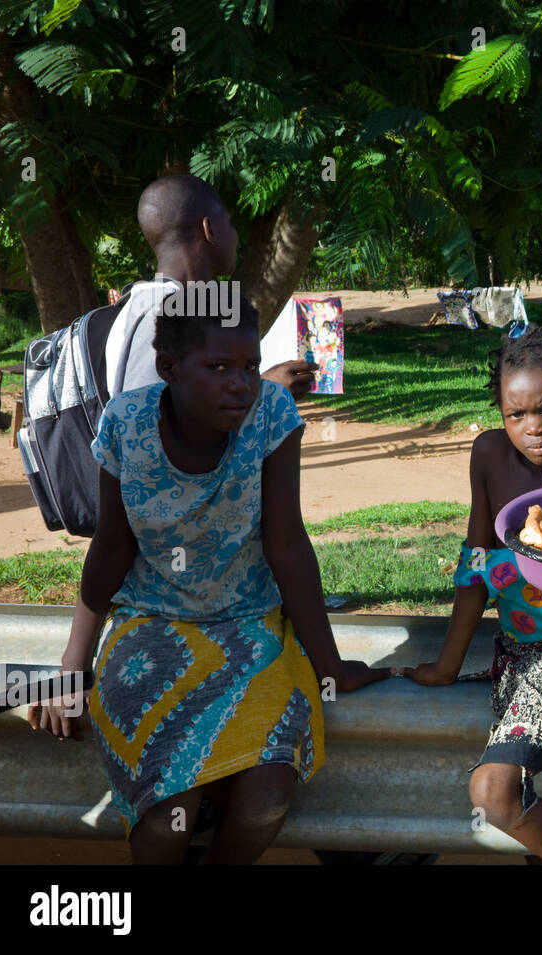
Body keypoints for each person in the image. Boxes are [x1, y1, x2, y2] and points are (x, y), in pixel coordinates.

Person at [27, 292, 390, 864]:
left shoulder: (272, 414)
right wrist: (74, 666)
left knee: (265, 801)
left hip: (249, 626)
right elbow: (111, 550)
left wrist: (332, 665)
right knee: (170, 819)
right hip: (150, 626)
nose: (241, 384)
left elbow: (287, 544)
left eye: (249, 365)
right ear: (169, 369)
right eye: (218, 368)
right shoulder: (126, 423)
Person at [404, 325, 542, 865]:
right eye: (516, 414)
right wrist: (447, 663)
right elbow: (476, 563)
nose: (533, 428)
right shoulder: (489, 456)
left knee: (494, 791)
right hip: (516, 656)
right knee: (528, 814)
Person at [106, 174, 317, 400]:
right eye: (228, 222)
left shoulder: (160, 307)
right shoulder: (161, 315)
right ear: (210, 230)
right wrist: (266, 392)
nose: (236, 235)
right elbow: (143, 422)